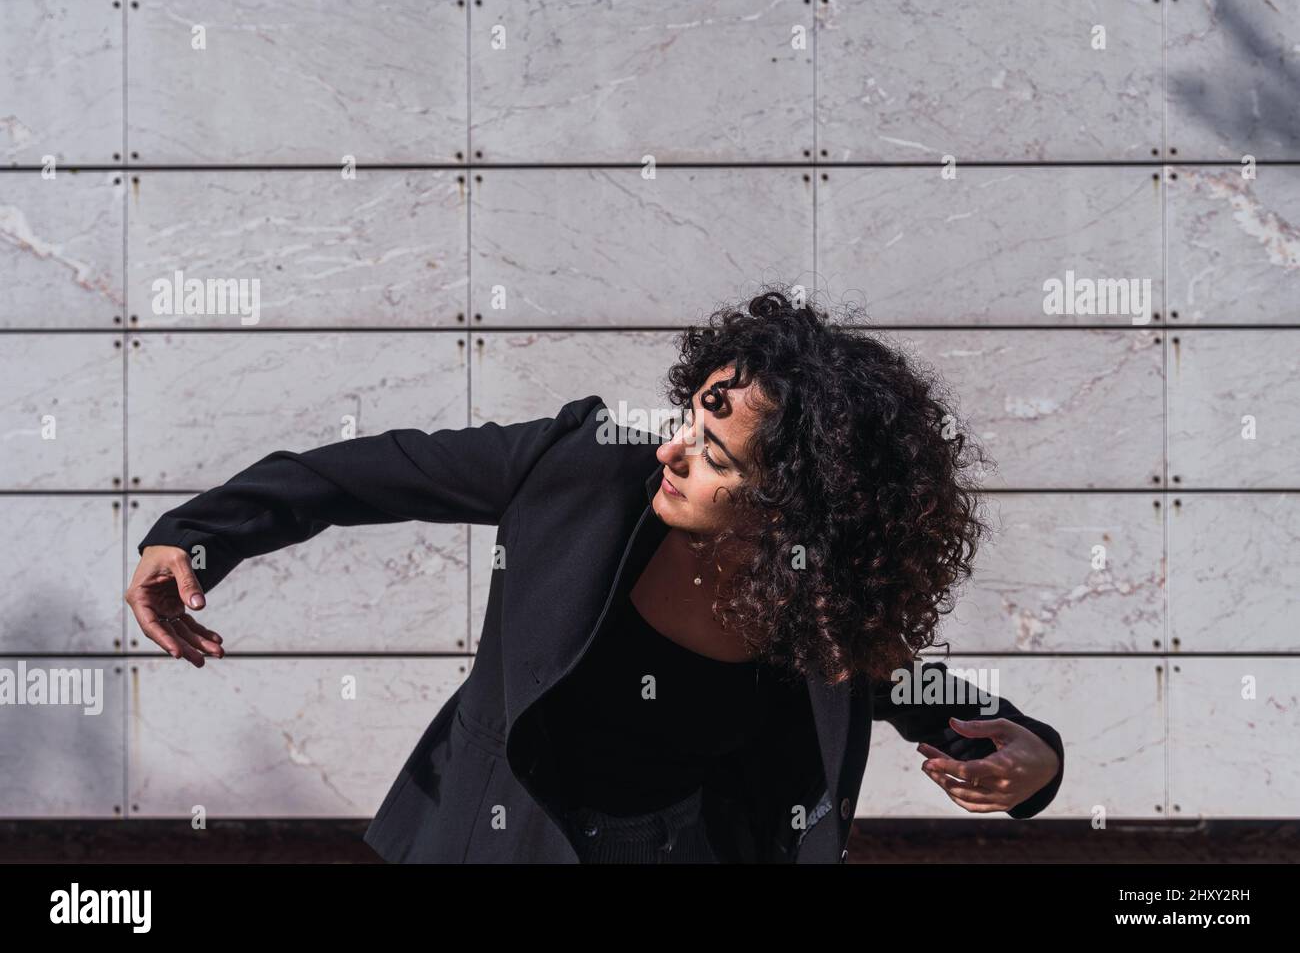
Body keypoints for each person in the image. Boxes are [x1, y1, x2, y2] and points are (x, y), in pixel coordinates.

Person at [124, 288, 1064, 863]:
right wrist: (199, 540)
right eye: (690, 415)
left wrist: (1032, 758)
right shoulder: (587, 464)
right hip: (505, 836)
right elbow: (367, 472)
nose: (674, 449)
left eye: (717, 455)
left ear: (797, 509)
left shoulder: (814, 595)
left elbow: (929, 698)